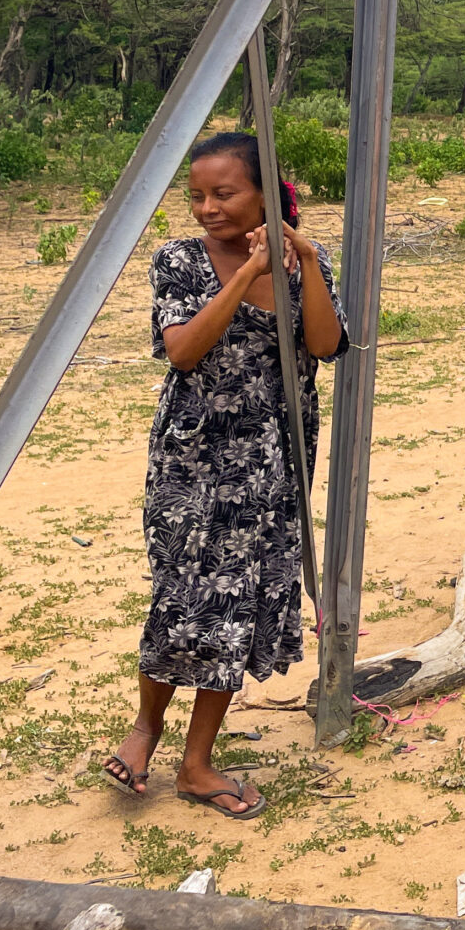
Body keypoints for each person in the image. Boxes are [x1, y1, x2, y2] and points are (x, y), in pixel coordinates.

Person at [103, 132, 346, 818]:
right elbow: (182, 351)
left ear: (266, 193)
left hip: (272, 461)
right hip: (194, 459)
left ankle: (197, 762)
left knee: (237, 606)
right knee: (182, 594)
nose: (208, 208)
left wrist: (302, 264)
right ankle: (146, 728)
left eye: (225, 193)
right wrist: (243, 273)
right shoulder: (178, 260)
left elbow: (325, 345)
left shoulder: (306, 262)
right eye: (198, 196)